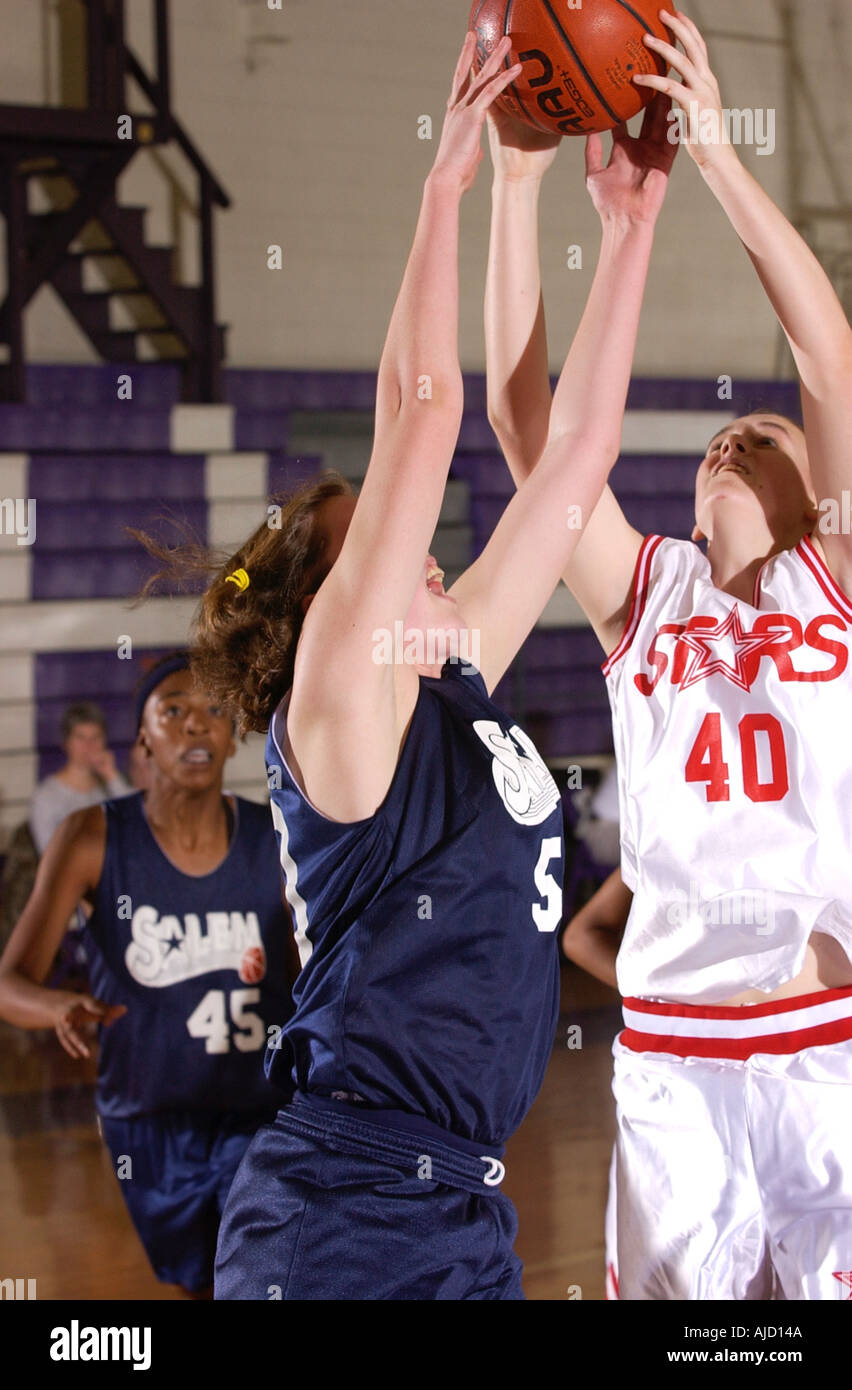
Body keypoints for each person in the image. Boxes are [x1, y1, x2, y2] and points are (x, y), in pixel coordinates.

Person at [132, 31, 680, 1301]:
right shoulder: (339, 698)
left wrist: (632, 219)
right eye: (379, 537)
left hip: (456, 1204)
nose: (422, 542)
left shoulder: (443, 673)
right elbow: (423, 409)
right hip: (342, 1211)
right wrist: (446, 186)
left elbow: (578, 451)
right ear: (333, 595)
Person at [486, 6, 852, 1300]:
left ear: (820, 490)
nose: (734, 434)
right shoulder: (646, 595)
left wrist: (719, 160)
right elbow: (530, 433)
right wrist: (518, 191)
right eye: (716, 433)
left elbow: (829, 353)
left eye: (765, 428)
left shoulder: (837, 578)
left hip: (824, 1052)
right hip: (676, 1056)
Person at [0, 653, 297, 1296]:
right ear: (142, 737)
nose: (198, 726)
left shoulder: (272, 842)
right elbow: (9, 981)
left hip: (260, 1112)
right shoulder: (91, 837)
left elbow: (318, 974)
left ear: (231, 733)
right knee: (198, 1281)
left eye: (216, 711)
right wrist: (57, 1008)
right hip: (148, 1116)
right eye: (175, 712)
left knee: (260, 1273)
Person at [29, 701, 130, 856]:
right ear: (66, 742)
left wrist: (111, 776)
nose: (89, 746)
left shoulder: (111, 788)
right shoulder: (46, 796)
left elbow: (137, 820)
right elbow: (50, 856)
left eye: (96, 737)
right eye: (80, 737)